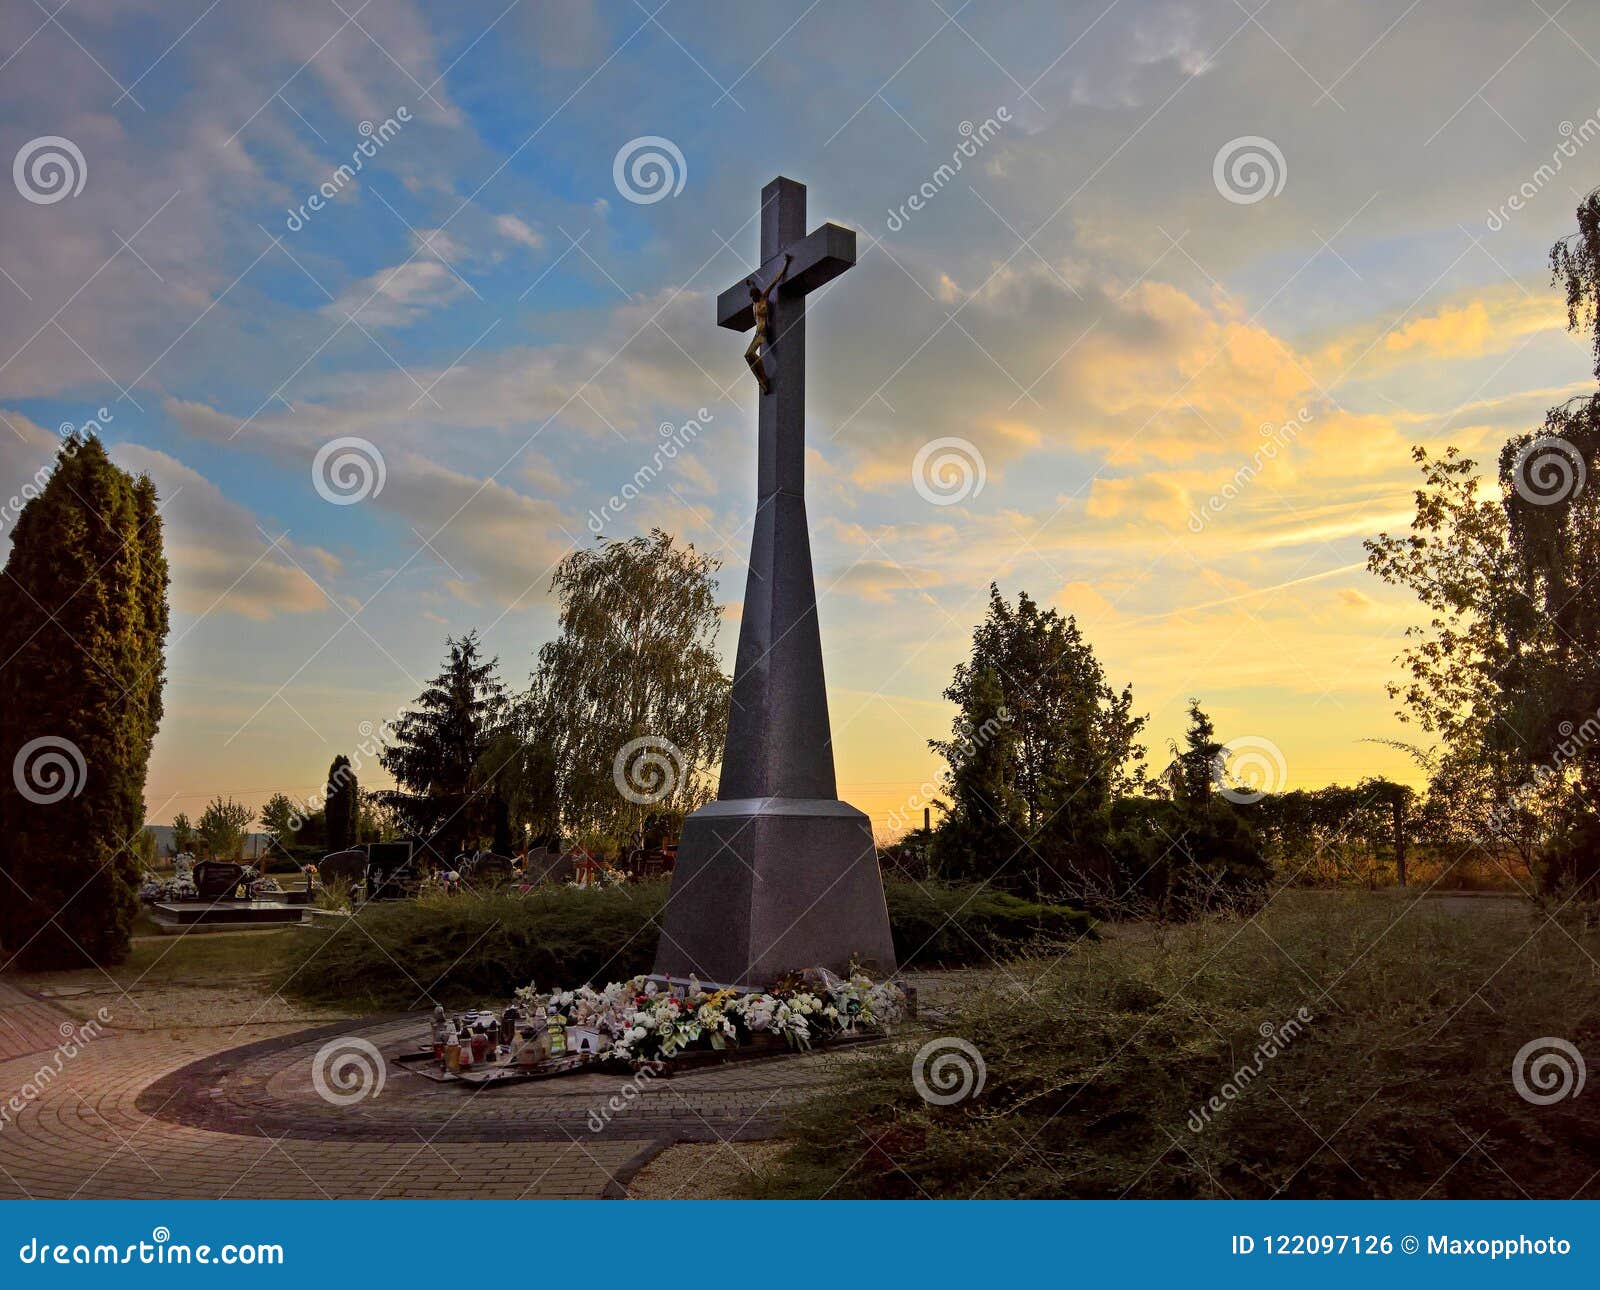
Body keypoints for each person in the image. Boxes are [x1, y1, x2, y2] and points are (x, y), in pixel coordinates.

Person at [744, 252, 792, 395]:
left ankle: (763, 379)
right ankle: (762, 379)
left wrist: (786, 263)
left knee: (749, 354)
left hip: (763, 332)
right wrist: (750, 283)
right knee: (748, 356)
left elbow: (776, 279)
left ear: (758, 294)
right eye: (751, 297)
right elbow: (752, 285)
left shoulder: (764, 297)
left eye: (754, 295)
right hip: (757, 333)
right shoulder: (754, 305)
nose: (753, 298)